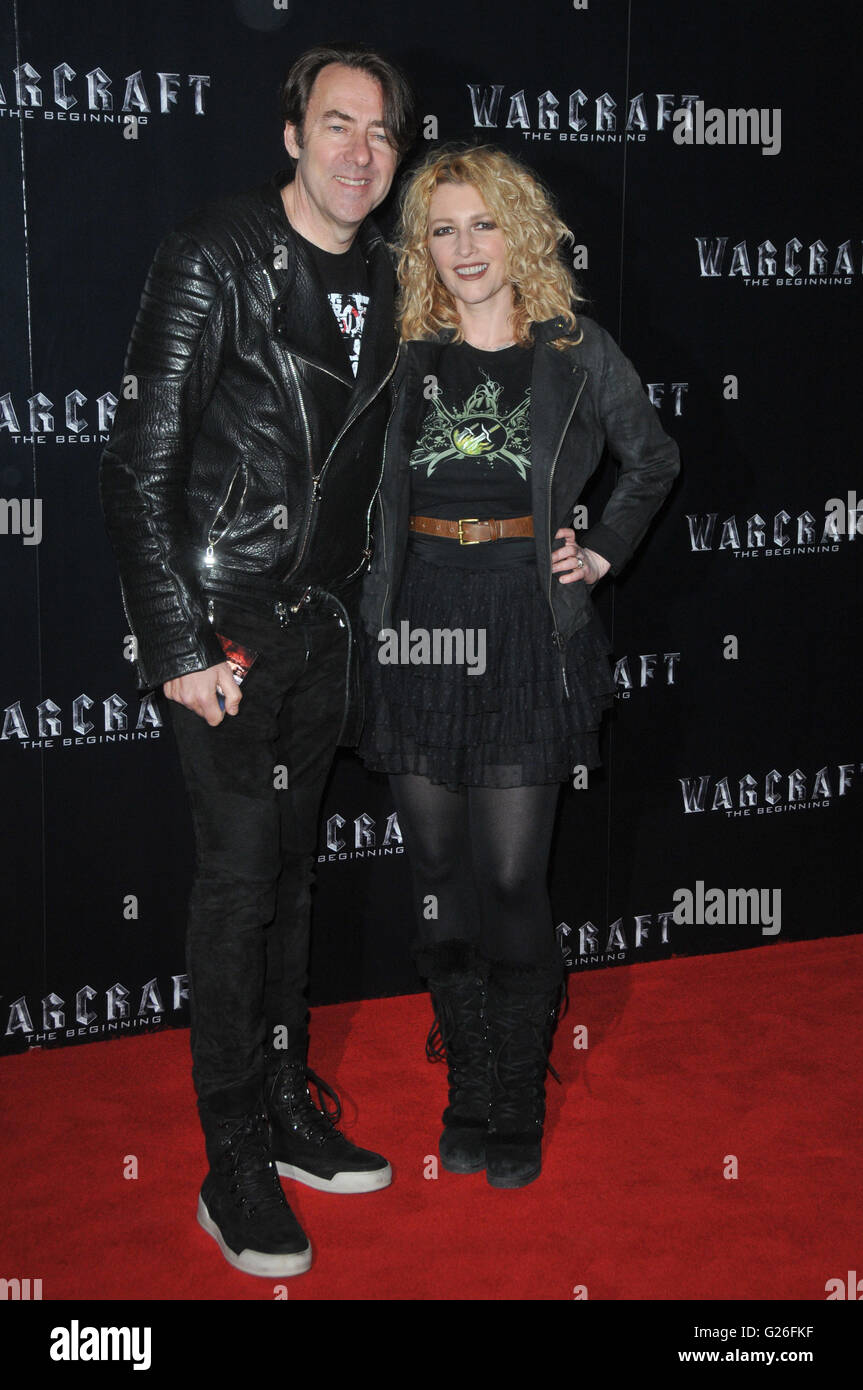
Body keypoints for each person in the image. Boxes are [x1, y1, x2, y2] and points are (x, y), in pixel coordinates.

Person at [99, 43, 416, 1277]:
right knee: (238, 885)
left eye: (381, 132)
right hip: (225, 630)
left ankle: (282, 1107)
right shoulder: (213, 253)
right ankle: (227, 1158)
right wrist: (180, 644)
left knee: (290, 877)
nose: (358, 151)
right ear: (291, 134)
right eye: (337, 124)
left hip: (323, 632)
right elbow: (137, 465)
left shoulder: (395, 276)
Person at [358, 145, 680, 1189]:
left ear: (520, 232)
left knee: (506, 876)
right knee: (437, 877)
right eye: (442, 228)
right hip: (418, 626)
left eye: (482, 224)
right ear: (423, 245)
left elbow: (652, 456)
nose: (462, 248)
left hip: (524, 625)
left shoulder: (574, 349)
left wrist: (598, 551)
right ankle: (470, 1088)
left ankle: (514, 1094)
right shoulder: (402, 353)